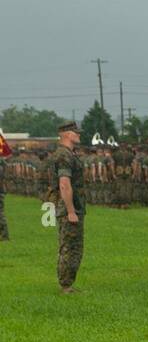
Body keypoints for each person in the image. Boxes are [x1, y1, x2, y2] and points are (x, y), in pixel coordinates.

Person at [47, 121, 85, 293]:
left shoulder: (67, 153)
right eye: (76, 133)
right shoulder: (64, 155)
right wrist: (71, 211)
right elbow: (64, 184)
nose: (79, 135)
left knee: (73, 246)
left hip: (72, 206)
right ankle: (65, 285)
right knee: (70, 246)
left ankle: (67, 284)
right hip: (69, 208)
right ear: (68, 134)